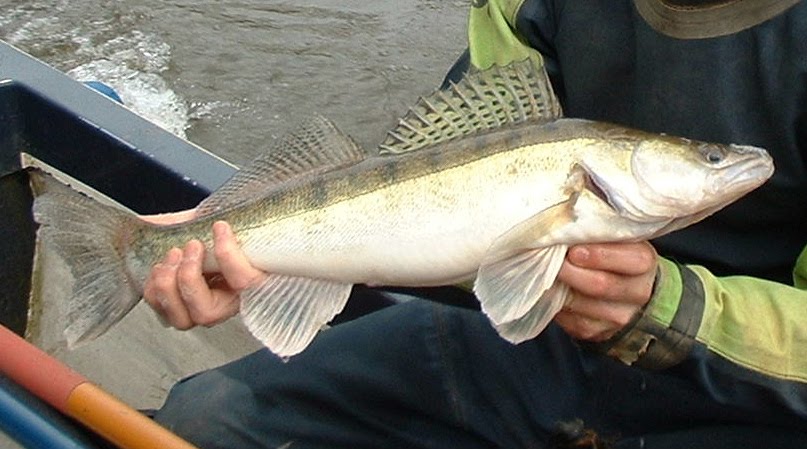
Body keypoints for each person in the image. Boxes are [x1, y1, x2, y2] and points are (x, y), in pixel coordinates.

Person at [143, 1, 807, 447]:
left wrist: (667, 310)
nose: (720, 162)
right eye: (707, 157)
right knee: (205, 420)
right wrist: (246, 242)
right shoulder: (529, 6)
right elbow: (428, 180)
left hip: (747, 394)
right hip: (534, 339)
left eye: (706, 156)